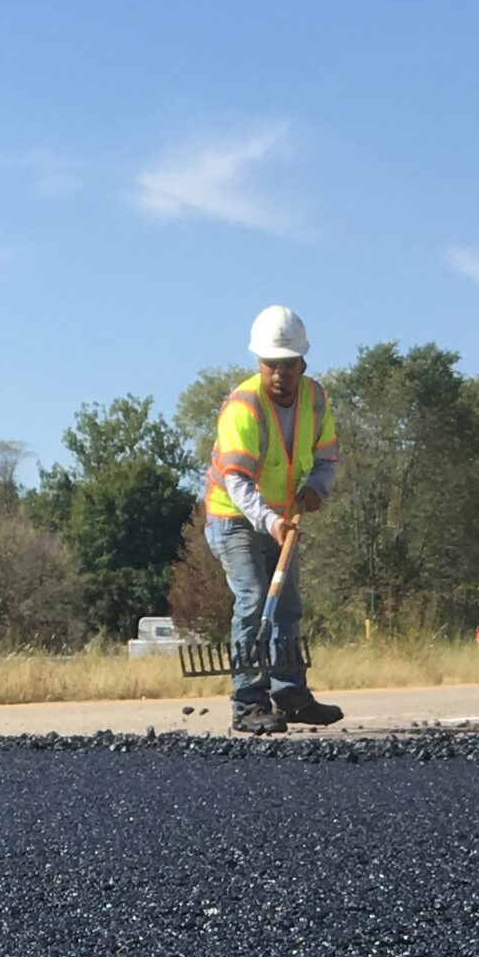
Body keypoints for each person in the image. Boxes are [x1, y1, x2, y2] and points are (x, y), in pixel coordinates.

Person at [205, 305, 344, 734]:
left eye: (289, 364)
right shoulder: (243, 407)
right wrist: (270, 522)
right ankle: (248, 703)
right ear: (258, 363)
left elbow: (327, 458)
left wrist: (315, 490)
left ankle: (289, 693)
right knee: (253, 599)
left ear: (303, 362)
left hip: (284, 515)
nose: (280, 374)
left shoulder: (315, 398)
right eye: (272, 365)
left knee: (286, 605)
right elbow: (237, 482)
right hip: (234, 518)